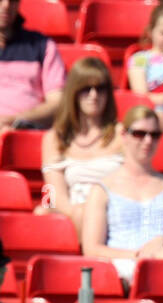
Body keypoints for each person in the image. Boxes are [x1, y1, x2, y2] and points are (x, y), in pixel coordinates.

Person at [81, 106, 163, 288]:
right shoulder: (102, 189)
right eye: (140, 134)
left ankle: (153, 268)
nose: (148, 141)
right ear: (124, 135)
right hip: (120, 271)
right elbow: (92, 249)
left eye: (154, 135)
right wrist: (136, 256)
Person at [37, 57, 123, 233]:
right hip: (73, 212)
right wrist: (80, 215)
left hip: (115, 211)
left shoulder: (122, 134)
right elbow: (52, 193)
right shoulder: (55, 138)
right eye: (86, 89)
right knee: (41, 212)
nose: (94, 95)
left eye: (100, 89)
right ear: (73, 92)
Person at [0, 0, 66, 130]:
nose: (6, 5)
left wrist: (15, 121)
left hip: (26, 134)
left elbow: (57, 102)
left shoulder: (42, 45)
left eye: (12, 0)